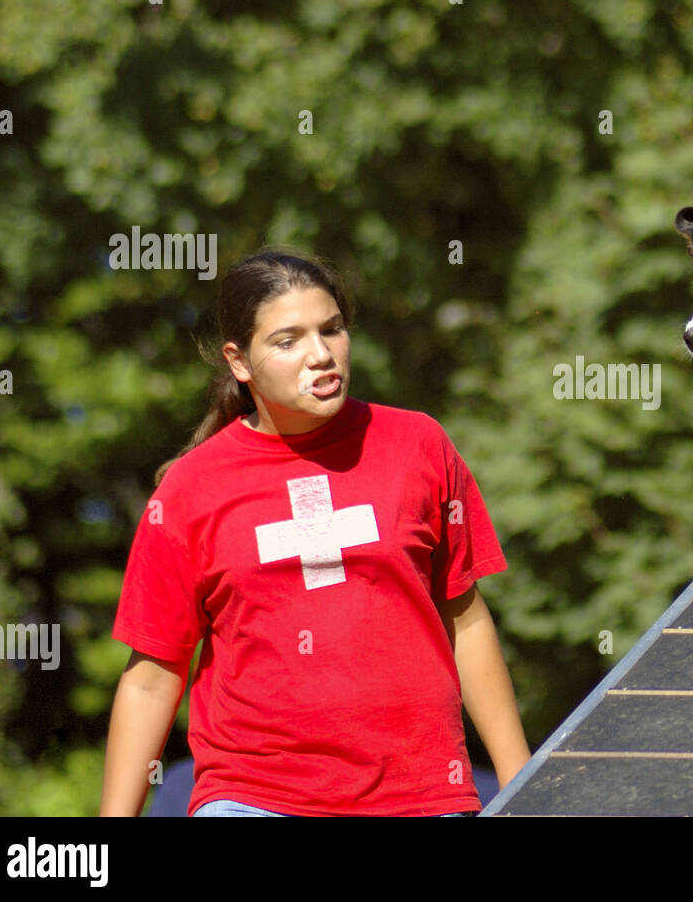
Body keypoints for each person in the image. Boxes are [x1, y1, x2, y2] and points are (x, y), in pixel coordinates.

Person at [99, 249, 530, 816]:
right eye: (288, 340)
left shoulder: (418, 445)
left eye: (332, 330)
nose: (321, 355)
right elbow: (152, 678)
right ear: (240, 361)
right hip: (252, 799)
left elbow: (466, 623)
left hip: (422, 797)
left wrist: (526, 785)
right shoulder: (189, 490)